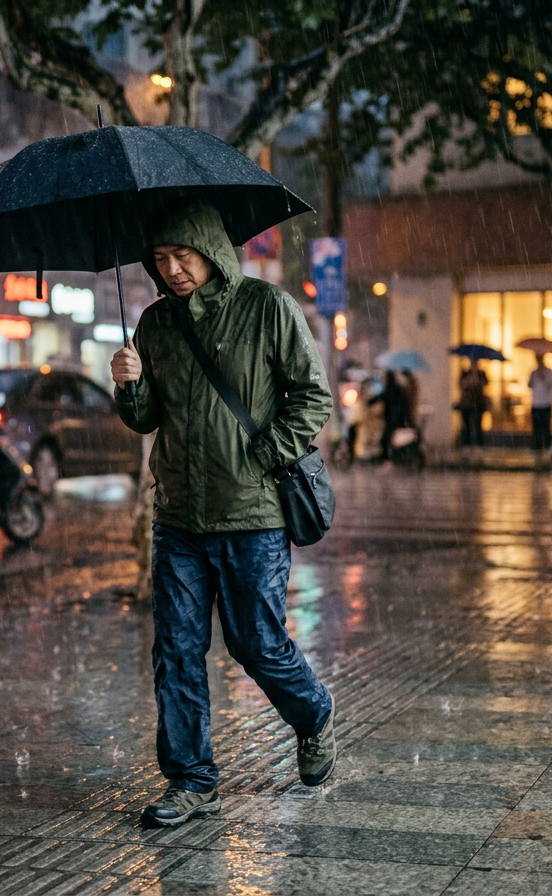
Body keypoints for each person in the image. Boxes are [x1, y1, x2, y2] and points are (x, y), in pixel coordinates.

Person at [110, 196, 336, 829]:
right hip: (178, 516)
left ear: (210, 248)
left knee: (255, 642)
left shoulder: (267, 308)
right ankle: (192, 780)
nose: (173, 268)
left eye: (182, 254)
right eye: (160, 259)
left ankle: (314, 714)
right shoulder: (154, 324)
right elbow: (145, 419)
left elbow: (312, 396)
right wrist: (129, 383)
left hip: (253, 515)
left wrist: (262, 456)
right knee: (176, 652)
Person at [372, 369, 413, 463]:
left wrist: (369, 401)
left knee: (384, 439)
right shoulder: (397, 389)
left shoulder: (390, 389)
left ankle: (387, 460)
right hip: (398, 420)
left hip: (394, 421)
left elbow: (380, 397)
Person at [457, 360, 488, 446]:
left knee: (478, 425)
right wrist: (469, 380)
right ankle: (467, 444)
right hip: (467, 403)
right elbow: (461, 384)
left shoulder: (481, 373)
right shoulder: (465, 373)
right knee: (466, 425)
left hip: (478, 403)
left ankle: (479, 444)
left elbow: (485, 384)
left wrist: (477, 380)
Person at [528, 353, 552, 451]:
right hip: (536, 403)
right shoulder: (533, 372)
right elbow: (529, 385)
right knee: (536, 426)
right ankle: (537, 445)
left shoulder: (548, 372)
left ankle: (546, 445)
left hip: (546, 403)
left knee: (546, 426)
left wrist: (543, 376)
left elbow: (551, 384)